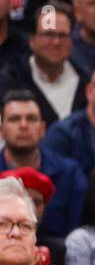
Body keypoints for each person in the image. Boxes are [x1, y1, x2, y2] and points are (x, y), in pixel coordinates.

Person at [0, 90, 83, 237]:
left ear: (42, 129)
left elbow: (74, 236)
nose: (23, 125)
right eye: (14, 119)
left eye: (31, 119)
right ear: (1, 130)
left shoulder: (69, 173)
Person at [0, 0, 86, 126]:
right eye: (48, 35)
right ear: (32, 40)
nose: (56, 42)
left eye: (62, 35)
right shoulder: (8, 82)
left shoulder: (88, 83)